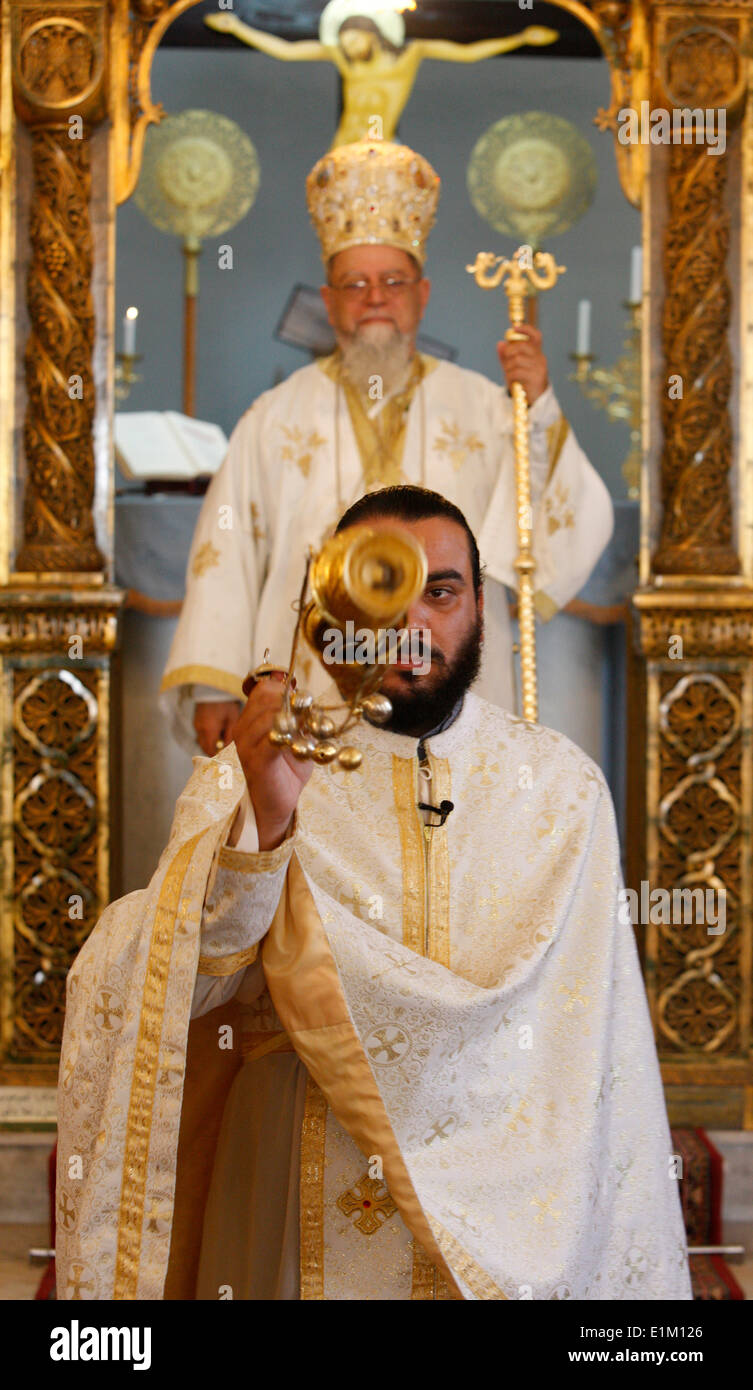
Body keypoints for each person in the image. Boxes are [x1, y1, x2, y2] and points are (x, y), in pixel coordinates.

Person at [58, 486, 690, 1301]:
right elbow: (190, 989)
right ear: (333, 607)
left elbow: (590, 1063)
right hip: (300, 1174)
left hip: (516, 1199)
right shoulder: (247, 776)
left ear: (480, 605)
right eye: (385, 589)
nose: (414, 621)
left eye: (442, 590)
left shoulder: (561, 790)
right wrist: (268, 822)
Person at [161, 134, 613, 757]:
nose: (375, 297)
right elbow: (227, 548)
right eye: (355, 284)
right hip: (310, 681)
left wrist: (535, 404)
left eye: (393, 280)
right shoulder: (275, 416)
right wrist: (214, 681)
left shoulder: (487, 404)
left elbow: (555, 516)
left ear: (422, 295)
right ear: (328, 301)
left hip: (451, 678)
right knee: (314, 836)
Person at [206, 1, 558, 149]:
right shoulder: (344, 60)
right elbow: (286, 51)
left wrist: (520, 38)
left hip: (384, 147)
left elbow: (465, 53)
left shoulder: (409, 55)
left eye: (356, 39)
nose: (352, 47)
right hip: (343, 147)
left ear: (373, 34)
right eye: (345, 41)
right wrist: (237, 27)